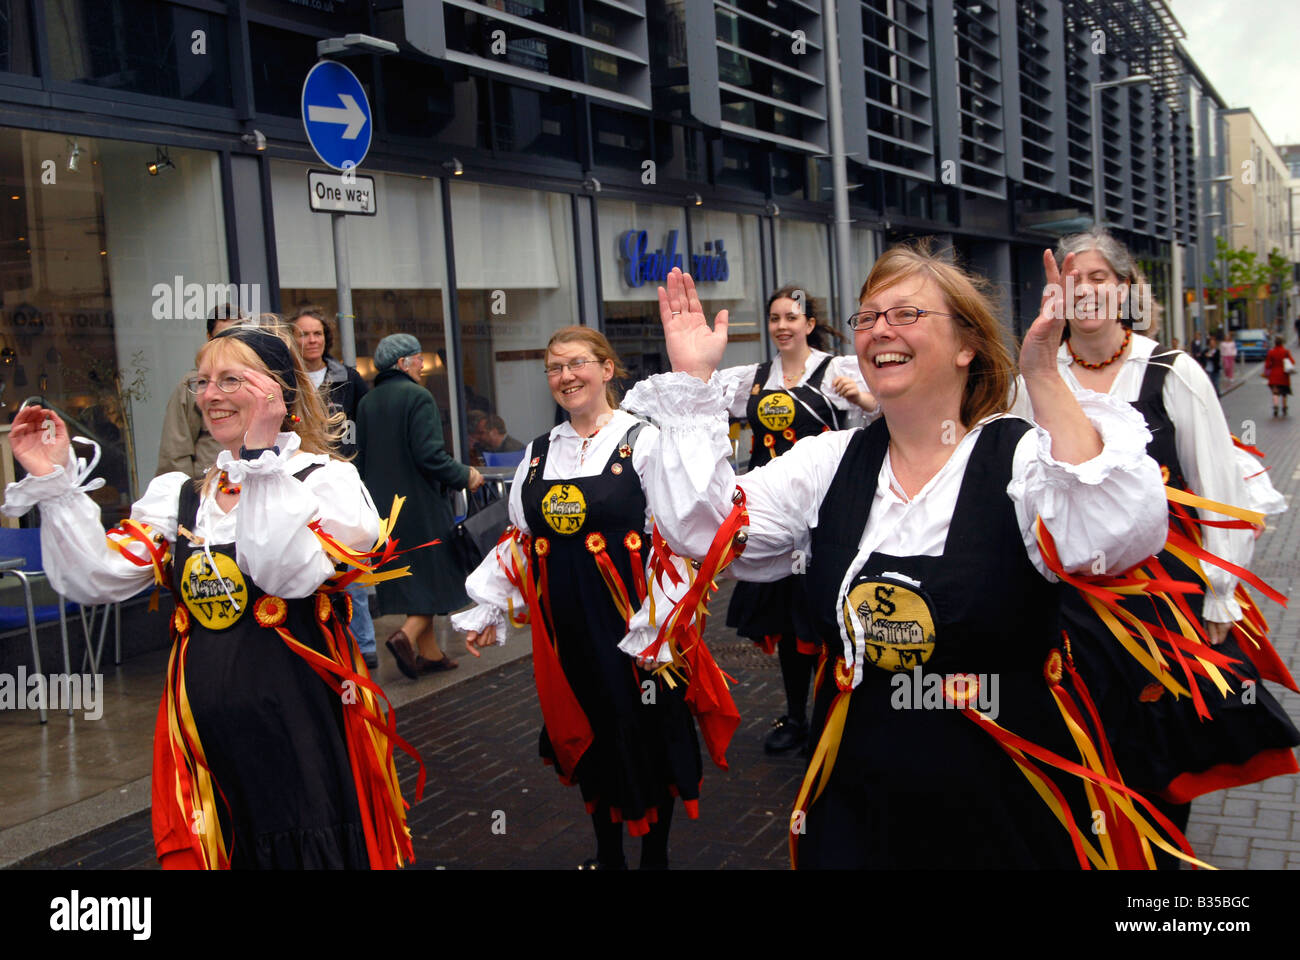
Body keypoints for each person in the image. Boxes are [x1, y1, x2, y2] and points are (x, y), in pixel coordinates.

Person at [624, 252, 1182, 869]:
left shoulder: (1022, 460)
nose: (879, 330)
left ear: (967, 344)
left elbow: (1116, 533)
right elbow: (705, 531)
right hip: (862, 798)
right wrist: (695, 385)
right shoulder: (830, 461)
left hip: (1007, 802)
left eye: (907, 313)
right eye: (867, 317)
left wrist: (1043, 375)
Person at [3, 322, 417, 869]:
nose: (210, 396)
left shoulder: (324, 481)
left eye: (229, 379)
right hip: (205, 725)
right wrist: (52, 483)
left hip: (299, 719)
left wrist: (262, 458)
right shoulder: (181, 496)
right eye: (202, 382)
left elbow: (281, 576)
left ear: (279, 390)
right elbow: (93, 577)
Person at [1010, 228, 1299, 864]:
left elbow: (1219, 484)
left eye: (1098, 278)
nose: (1084, 290)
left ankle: (1161, 862)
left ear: (1127, 291)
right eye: (1072, 279)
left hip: (1159, 595)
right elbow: (1015, 483)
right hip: (1065, 592)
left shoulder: (1172, 371)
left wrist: (1222, 596)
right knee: (1079, 725)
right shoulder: (1036, 374)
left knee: (1157, 728)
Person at [454, 326, 716, 870]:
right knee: (589, 734)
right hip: (568, 626)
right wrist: (489, 603)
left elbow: (673, 540)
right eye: (554, 368)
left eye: (576, 364)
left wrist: (659, 626)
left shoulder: (644, 441)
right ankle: (608, 853)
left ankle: (655, 857)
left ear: (606, 369)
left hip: (634, 626)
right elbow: (524, 540)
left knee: (645, 733)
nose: (565, 377)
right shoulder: (539, 451)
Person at [717, 285, 876, 754]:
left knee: (831, 616)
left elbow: (885, 422)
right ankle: (795, 715)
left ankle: (838, 712)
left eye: (792, 317)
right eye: (774, 318)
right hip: (771, 514)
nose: (782, 325)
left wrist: (863, 401)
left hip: (824, 513)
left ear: (809, 324)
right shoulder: (754, 378)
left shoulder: (836, 371)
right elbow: (702, 404)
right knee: (787, 625)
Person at [356, 333, 483, 677]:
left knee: (417, 578)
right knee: (433, 576)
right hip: (421, 506)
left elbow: (361, 459)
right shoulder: (418, 397)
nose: (423, 365)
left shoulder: (368, 402)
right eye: (417, 359)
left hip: (385, 509)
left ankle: (430, 654)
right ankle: (405, 637)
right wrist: (465, 476)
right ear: (402, 363)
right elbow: (429, 456)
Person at [291, 306, 377, 669]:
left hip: (340, 473)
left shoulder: (348, 378)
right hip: (298, 480)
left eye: (316, 334)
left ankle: (364, 643)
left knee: (347, 558)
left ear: (326, 338)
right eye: (303, 334)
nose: (310, 340)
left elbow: (365, 423)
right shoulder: (286, 378)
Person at [154, 303, 246, 479]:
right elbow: (175, 455)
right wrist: (188, 498)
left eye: (236, 336)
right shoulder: (192, 386)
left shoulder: (259, 380)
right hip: (209, 491)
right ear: (209, 337)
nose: (229, 344)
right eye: (222, 337)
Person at [1264, 335, 1293, 416]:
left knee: (1275, 392)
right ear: (1282, 343)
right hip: (1284, 375)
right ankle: (1284, 408)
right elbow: (1292, 361)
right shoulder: (1286, 352)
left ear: (1275, 343)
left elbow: (1267, 365)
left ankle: (1276, 406)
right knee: (1284, 393)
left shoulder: (1271, 352)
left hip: (1274, 375)